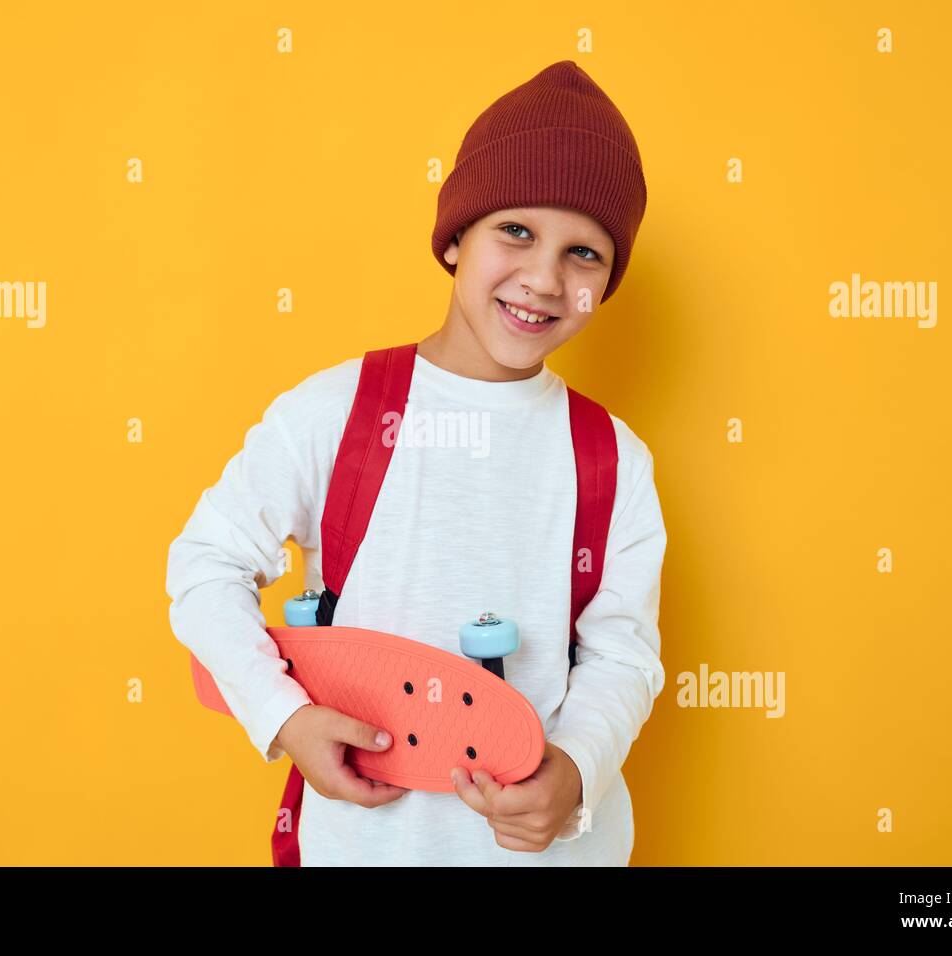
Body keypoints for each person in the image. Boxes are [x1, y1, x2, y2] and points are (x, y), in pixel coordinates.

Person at [166, 60, 667, 865]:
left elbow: (623, 656)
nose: (543, 278)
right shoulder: (336, 413)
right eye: (516, 231)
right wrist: (282, 717)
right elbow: (203, 564)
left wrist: (573, 774)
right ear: (455, 237)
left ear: (606, 285)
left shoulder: (615, 459)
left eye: (585, 254)